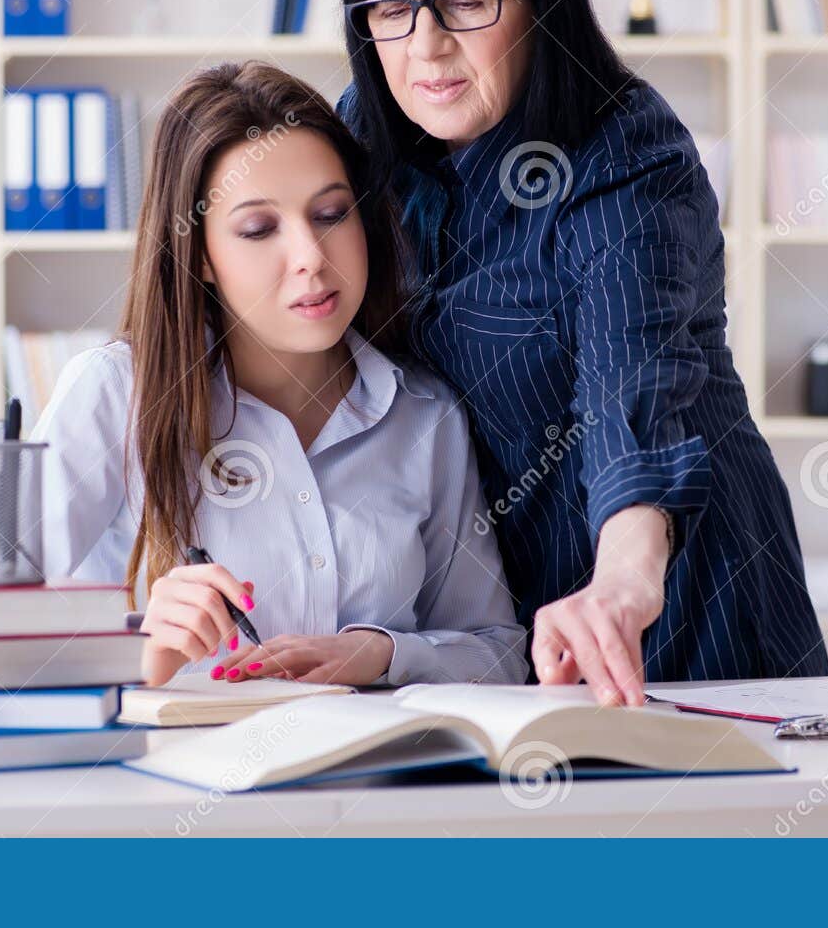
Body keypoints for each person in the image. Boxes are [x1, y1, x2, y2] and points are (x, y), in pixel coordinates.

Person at [336, 0, 828, 706]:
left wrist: (628, 574)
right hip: (490, 619)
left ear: (541, 1)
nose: (426, 44)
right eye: (392, 8)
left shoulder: (624, 150)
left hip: (677, 596)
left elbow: (629, 384)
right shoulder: (364, 141)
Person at [34, 60, 527, 689]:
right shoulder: (116, 394)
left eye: (331, 214)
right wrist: (141, 650)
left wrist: (382, 655)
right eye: (259, 229)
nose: (311, 259)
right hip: (178, 776)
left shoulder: (423, 415)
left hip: (376, 780)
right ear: (199, 256)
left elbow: (498, 651)